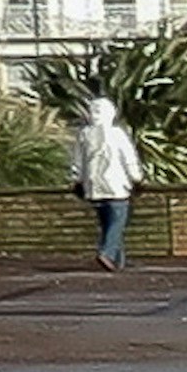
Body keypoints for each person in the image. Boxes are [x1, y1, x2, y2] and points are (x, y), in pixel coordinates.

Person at [68, 78, 143, 269]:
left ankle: (117, 260)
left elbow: (78, 160)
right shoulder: (117, 134)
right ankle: (107, 253)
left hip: (94, 186)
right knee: (117, 224)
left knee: (107, 224)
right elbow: (128, 158)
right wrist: (137, 178)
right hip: (117, 186)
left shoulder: (84, 134)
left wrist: (76, 180)